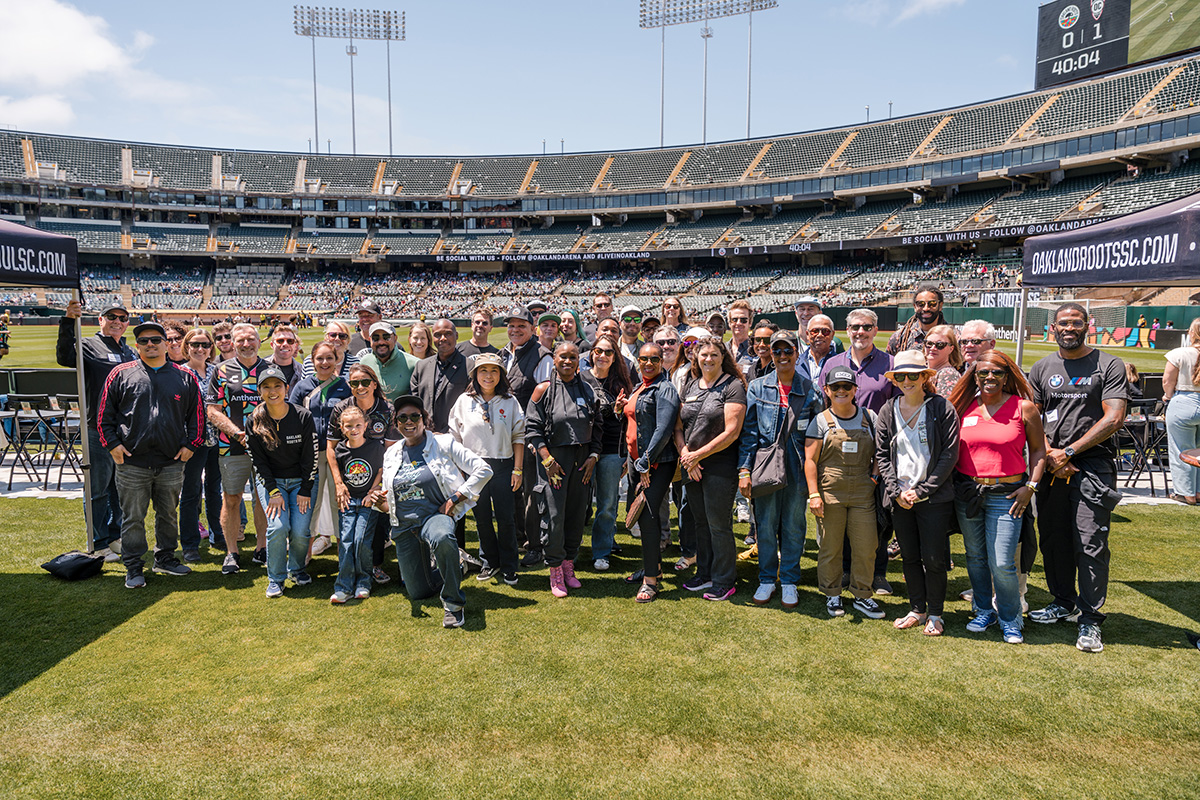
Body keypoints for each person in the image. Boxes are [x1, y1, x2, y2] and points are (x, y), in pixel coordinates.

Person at [1028, 302, 1128, 653]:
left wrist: (1069, 452)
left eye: (1076, 322)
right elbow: (1031, 418)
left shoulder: (1108, 364)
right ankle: (1063, 601)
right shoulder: (1042, 368)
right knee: (1053, 539)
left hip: (1092, 468)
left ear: (1089, 325)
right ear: (1052, 328)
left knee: (1090, 543)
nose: (1069, 328)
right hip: (1052, 468)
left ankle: (1090, 620)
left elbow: (1114, 418)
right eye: (1062, 323)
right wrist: (1053, 455)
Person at [97, 321, 204, 589]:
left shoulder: (184, 377)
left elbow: (197, 418)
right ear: (137, 345)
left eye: (156, 340)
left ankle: (165, 558)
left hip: (170, 462)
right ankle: (133, 566)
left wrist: (191, 445)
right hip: (132, 461)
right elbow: (103, 417)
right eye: (144, 341)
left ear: (166, 344)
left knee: (168, 513)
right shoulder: (121, 374)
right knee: (133, 517)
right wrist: (113, 446)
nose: (150, 345)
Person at [949, 351, 1046, 645]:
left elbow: (1039, 451)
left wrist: (1031, 486)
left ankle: (1010, 618)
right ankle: (981, 611)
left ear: (1008, 376)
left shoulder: (1024, 408)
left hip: (1008, 495)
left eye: (997, 373)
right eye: (983, 373)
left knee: (1003, 562)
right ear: (974, 376)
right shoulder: (963, 406)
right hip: (969, 493)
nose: (990, 378)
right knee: (975, 558)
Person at [382, 395, 493, 628]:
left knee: (443, 536)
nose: (409, 421)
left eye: (415, 416)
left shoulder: (443, 443)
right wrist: (376, 501)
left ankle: (453, 603)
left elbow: (483, 470)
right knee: (418, 592)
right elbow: (387, 501)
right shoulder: (391, 454)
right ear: (396, 423)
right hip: (403, 526)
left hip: (434, 517)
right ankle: (458, 563)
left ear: (424, 419)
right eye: (402, 417)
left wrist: (456, 497)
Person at [876, 351, 960, 636]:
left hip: (933, 499)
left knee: (934, 558)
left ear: (925, 377)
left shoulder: (941, 408)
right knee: (909, 556)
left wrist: (922, 490)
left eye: (914, 375)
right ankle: (917, 609)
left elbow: (949, 456)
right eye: (901, 376)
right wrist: (895, 490)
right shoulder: (888, 409)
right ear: (895, 379)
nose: (907, 380)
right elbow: (882, 455)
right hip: (900, 499)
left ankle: (935, 614)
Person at [738, 330, 822, 608]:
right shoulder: (758, 387)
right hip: (765, 465)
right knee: (765, 524)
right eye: (777, 351)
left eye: (788, 351)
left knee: (794, 526)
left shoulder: (810, 389)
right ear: (770, 354)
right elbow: (749, 433)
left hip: (797, 467)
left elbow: (818, 436)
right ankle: (766, 579)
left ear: (797, 353)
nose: (783, 356)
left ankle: (788, 580)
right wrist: (744, 470)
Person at [821, 308, 898, 594]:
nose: (860, 332)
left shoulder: (890, 364)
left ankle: (877, 573)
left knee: (877, 517)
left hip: (879, 452)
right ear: (847, 330)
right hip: (839, 453)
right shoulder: (832, 363)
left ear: (876, 330)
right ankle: (843, 570)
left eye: (866, 327)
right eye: (855, 327)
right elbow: (824, 405)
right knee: (840, 517)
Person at [57, 299, 134, 561]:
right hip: (97, 426)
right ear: (100, 319)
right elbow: (65, 358)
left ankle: (114, 536)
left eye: (122, 318)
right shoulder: (89, 345)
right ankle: (98, 540)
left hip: (124, 429)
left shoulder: (128, 350)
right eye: (111, 316)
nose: (117, 321)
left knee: (118, 489)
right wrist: (68, 320)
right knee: (98, 488)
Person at [805, 366, 883, 619]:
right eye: (835, 387)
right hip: (830, 493)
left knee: (866, 546)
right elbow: (810, 460)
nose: (841, 391)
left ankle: (862, 595)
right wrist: (814, 494)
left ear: (854, 390)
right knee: (830, 546)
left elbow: (881, 452)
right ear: (826, 390)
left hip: (863, 493)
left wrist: (874, 476)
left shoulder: (870, 417)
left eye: (846, 387)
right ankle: (832, 594)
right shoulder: (820, 420)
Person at [526, 342, 603, 597]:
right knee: (555, 516)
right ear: (554, 359)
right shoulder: (542, 390)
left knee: (577, 514)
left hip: (582, 463)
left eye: (573, 357)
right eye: (563, 357)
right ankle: (555, 569)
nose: (568, 361)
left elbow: (598, 427)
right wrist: (547, 460)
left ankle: (569, 565)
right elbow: (533, 429)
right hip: (554, 463)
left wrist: (593, 455)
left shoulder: (588, 390)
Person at [676, 336, 746, 601]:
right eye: (703, 355)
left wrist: (698, 456)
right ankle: (704, 573)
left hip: (718, 466)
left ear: (722, 357)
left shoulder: (733, 386)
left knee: (719, 525)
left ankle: (724, 579)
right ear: (696, 358)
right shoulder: (691, 384)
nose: (708, 359)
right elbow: (678, 427)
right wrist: (686, 455)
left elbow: (732, 431)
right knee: (700, 523)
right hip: (691, 465)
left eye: (714, 355)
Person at [448, 353, 525, 585]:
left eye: (494, 370)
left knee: (506, 518)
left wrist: (518, 470)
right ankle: (489, 561)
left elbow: (519, 436)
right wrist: (460, 470)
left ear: (501, 374)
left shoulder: (510, 401)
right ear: (475, 374)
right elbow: (455, 438)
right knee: (481, 518)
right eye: (483, 370)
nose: (488, 375)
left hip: (503, 465)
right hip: (474, 468)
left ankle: (510, 565)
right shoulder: (463, 401)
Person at [246, 365, 319, 599]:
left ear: (287, 388)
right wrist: (274, 491)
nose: (273, 391)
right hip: (272, 483)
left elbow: (311, 456)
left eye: (277, 385)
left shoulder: (302, 416)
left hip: (302, 483)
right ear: (260, 392)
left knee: (299, 531)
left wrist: (306, 489)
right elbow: (258, 462)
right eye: (266, 387)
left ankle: (296, 569)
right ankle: (275, 578)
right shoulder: (254, 420)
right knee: (278, 527)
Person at [617, 342, 680, 602]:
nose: (649, 363)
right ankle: (652, 567)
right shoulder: (640, 386)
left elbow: (663, 430)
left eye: (655, 359)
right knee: (645, 518)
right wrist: (621, 407)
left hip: (655, 463)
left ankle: (651, 581)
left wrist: (645, 462)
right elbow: (636, 420)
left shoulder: (665, 389)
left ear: (662, 360)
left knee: (648, 517)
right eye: (644, 359)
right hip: (637, 462)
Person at [206, 322, 270, 575]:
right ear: (232, 343)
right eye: (240, 339)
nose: (246, 344)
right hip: (231, 447)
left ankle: (261, 548)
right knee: (231, 498)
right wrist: (237, 433)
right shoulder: (221, 370)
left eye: (251, 339)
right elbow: (212, 410)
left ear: (259, 342)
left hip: (266, 447)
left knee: (262, 499)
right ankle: (232, 552)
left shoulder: (270, 369)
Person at [327, 364, 397, 584]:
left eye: (365, 382)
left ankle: (373, 567)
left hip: (380, 473)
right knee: (349, 526)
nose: (360, 387)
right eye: (355, 382)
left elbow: (391, 450)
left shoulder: (388, 409)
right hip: (351, 476)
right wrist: (338, 482)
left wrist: (378, 485)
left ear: (374, 384)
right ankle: (350, 572)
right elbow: (331, 448)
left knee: (377, 522)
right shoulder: (341, 409)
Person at [500, 305, 555, 566]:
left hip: (530, 436)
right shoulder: (503, 354)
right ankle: (519, 537)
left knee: (531, 493)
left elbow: (547, 398)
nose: (515, 330)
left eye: (521, 325)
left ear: (532, 328)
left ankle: (536, 545)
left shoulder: (542, 355)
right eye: (511, 325)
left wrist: (537, 436)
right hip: (504, 435)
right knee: (511, 491)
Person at [289, 341, 352, 558]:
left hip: (337, 453)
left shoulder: (345, 387)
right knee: (310, 503)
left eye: (329, 358)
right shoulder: (303, 386)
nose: (325, 363)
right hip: (310, 455)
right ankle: (304, 553)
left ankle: (343, 553)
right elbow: (292, 418)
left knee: (339, 502)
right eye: (320, 358)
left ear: (337, 360)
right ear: (313, 361)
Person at [580, 333, 632, 571]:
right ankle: (572, 549)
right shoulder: (580, 379)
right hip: (582, 449)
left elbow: (625, 423)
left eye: (608, 352)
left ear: (615, 357)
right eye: (598, 351)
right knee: (578, 503)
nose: (602, 355)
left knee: (608, 504)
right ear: (592, 353)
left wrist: (619, 411)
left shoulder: (621, 383)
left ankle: (602, 550)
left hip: (611, 449)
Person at [329, 405, 386, 604]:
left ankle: (363, 582)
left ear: (366, 425)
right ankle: (343, 586)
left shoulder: (375, 446)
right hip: (348, 501)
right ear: (341, 428)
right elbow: (340, 473)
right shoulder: (341, 449)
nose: (354, 429)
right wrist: (340, 488)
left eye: (358, 425)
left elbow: (380, 469)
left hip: (367, 502)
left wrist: (374, 490)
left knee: (361, 539)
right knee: (346, 540)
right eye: (349, 426)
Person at [178, 327, 224, 561]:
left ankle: (219, 535)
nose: (199, 349)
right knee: (191, 492)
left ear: (210, 349)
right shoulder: (178, 372)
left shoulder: (217, 371)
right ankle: (189, 543)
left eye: (204, 345)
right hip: (192, 441)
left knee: (215, 490)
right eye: (195, 344)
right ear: (187, 347)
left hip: (217, 440)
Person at [1163, 318, 1200, 504]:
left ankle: (1186, 493)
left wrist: (1167, 396)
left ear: (1192, 333)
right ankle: (1199, 491)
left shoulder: (1179, 353)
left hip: (1183, 401)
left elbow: (1167, 381)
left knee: (1180, 450)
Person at [412, 318, 469, 434]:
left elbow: (470, 409)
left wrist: (447, 433)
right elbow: (414, 404)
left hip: (455, 438)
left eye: (448, 334)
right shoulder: (421, 367)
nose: (443, 338)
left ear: (456, 335)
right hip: (424, 436)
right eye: (438, 335)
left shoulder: (470, 367)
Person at [357, 321, 419, 402]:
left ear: (395, 338)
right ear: (370, 340)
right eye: (375, 338)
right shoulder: (364, 362)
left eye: (386, 337)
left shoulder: (414, 364)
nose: (381, 342)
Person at [887, 286, 947, 355]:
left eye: (932, 304)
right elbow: (890, 364)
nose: (926, 308)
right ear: (915, 307)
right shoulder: (899, 338)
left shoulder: (954, 337)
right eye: (921, 304)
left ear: (940, 306)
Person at [923, 324, 964, 397]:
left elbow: (945, 406)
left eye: (940, 345)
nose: (933, 348)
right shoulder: (921, 370)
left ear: (951, 349)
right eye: (929, 343)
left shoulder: (949, 374)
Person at [800, 313, 837, 386]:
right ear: (807, 334)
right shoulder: (796, 362)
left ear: (832, 335)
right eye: (815, 331)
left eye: (825, 331)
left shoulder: (840, 363)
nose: (820, 335)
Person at [267, 323, 303, 390]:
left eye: (290, 341)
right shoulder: (261, 368)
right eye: (280, 341)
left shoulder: (303, 371)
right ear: (272, 345)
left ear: (295, 346)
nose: (285, 344)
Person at [726, 299, 754, 366]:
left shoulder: (756, 350)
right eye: (734, 320)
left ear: (750, 322)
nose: (738, 323)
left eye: (743, 320)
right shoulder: (722, 349)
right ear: (729, 323)